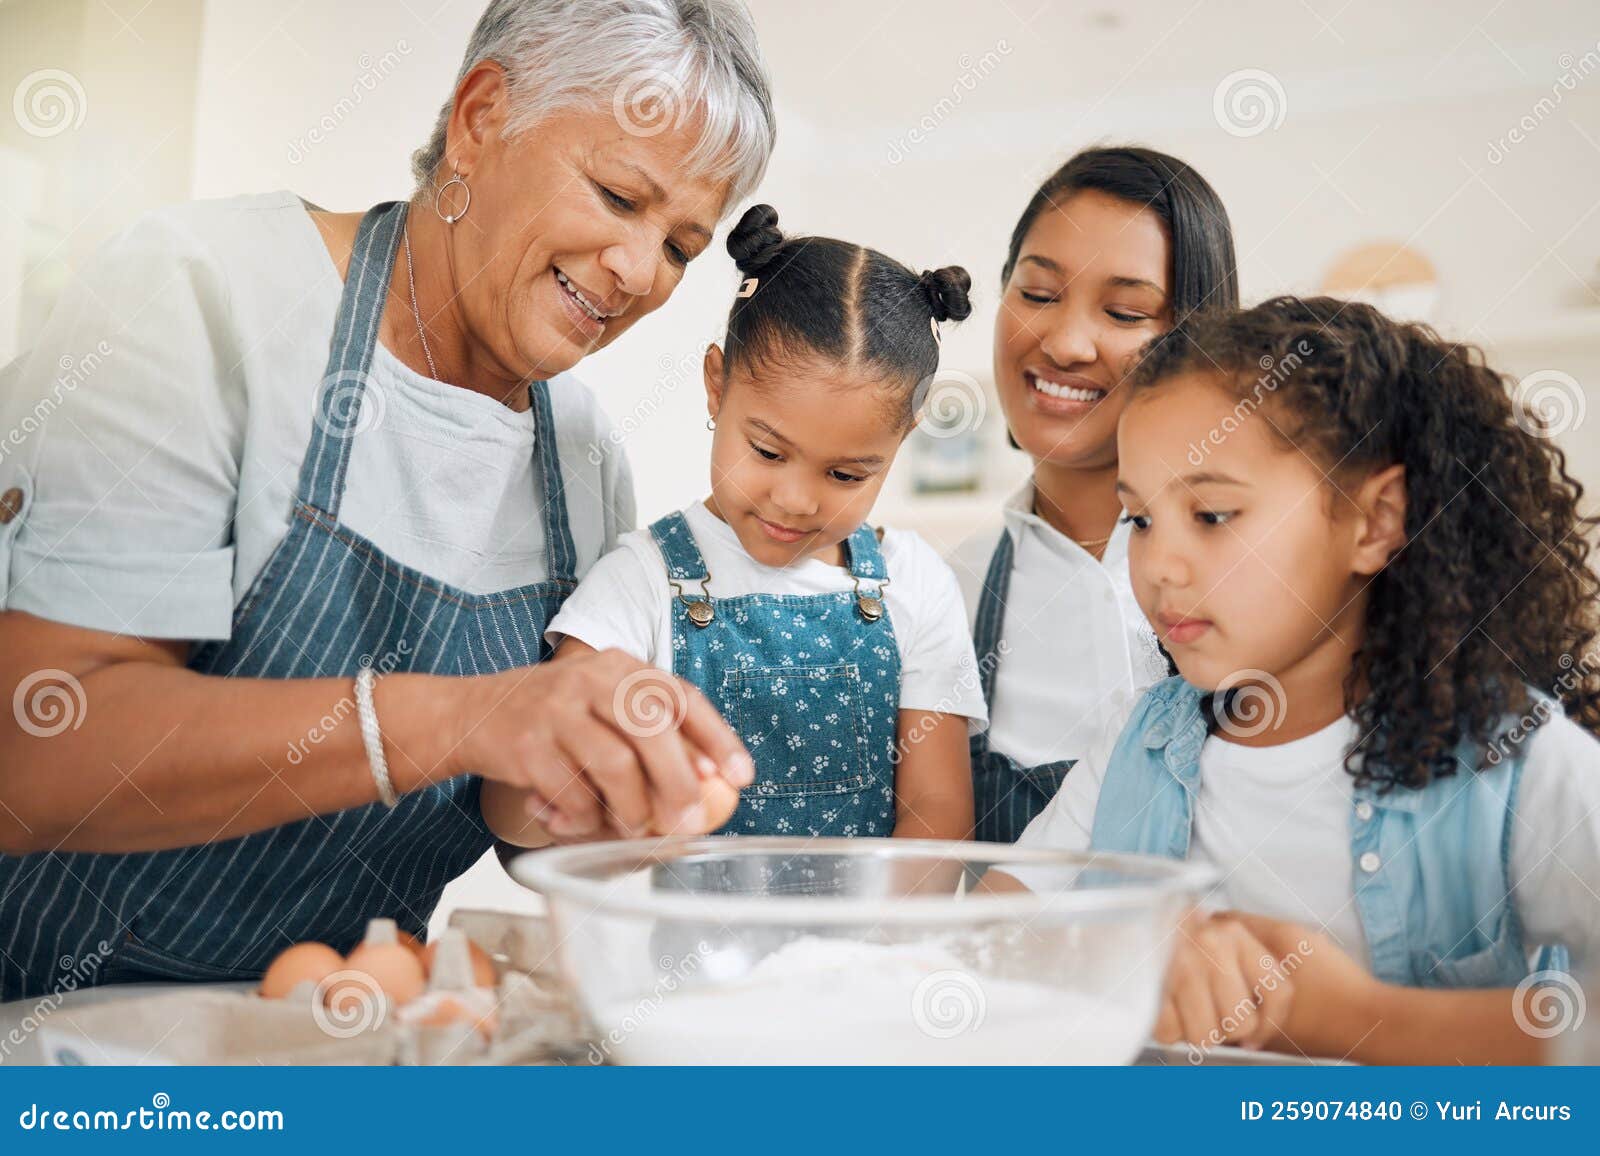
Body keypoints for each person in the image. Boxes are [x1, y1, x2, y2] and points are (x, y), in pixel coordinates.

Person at [0, 0, 776, 1002]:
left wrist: (616, 789)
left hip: (339, 1041)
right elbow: (36, 751)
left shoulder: (581, 456)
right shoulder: (206, 295)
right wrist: (465, 715)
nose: (637, 274)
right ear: (479, 117)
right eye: (619, 195)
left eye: (679, 246)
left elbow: (517, 814)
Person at [1019, 296, 1600, 1063]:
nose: (1159, 565)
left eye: (1215, 514)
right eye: (1141, 520)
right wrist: (1119, 954)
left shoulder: (1515, 763)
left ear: (1374, 521)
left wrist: (1361, 1017)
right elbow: (997, 932)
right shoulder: (1139, 744)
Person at [484, 205, 986, 844]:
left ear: (903, 439)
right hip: (691, 948)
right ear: (717, 385)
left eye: (847, 475)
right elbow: (514, 815)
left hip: (872, 945)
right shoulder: (640, 582)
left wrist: (880, 946)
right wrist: (571, 797)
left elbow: (937, 819)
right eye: (769, 452)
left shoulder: (913, 583)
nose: (797, 500)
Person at [951, 146, 1239, 842]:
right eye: (1039, 295)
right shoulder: (946, 595)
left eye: (1124, 311)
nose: (1067, 343)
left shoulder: (1260, 575)